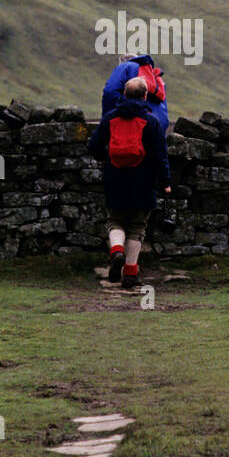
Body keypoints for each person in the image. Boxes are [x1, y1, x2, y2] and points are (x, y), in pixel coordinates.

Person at [89, 75, 171, 289]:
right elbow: (159, 155)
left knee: (114, 220)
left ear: (124, 94)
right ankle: (131, 273)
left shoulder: (109, 118)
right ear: (145, 95)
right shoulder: (151, 121)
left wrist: (104, 159)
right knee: (137, 226)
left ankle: (116, 250)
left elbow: (94, 145)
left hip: (115, 176)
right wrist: (165, 182)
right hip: (143, 179)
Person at [102, 53, 169, 132]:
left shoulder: (126, 67)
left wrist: (108, 118)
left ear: (121, 62)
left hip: (131, 125)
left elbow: (110, 92)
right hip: (158, 127)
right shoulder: (155, 78)